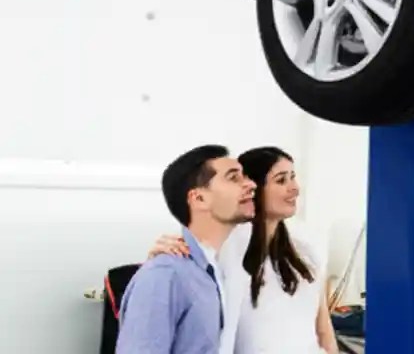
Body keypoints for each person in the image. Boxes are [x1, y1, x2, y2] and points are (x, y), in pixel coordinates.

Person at [147, 147, 339, 354]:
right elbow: (186, 264)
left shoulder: (306, 251)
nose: (295, 189)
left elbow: (323, 331)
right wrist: (157, 255)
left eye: (293, 178)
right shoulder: (229, 248)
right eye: (281, 180)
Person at [116, 145, 257, 353]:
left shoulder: (215, 272)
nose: (251, 184)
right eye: (233, 178)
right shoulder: (164, 275)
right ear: (199, 199)